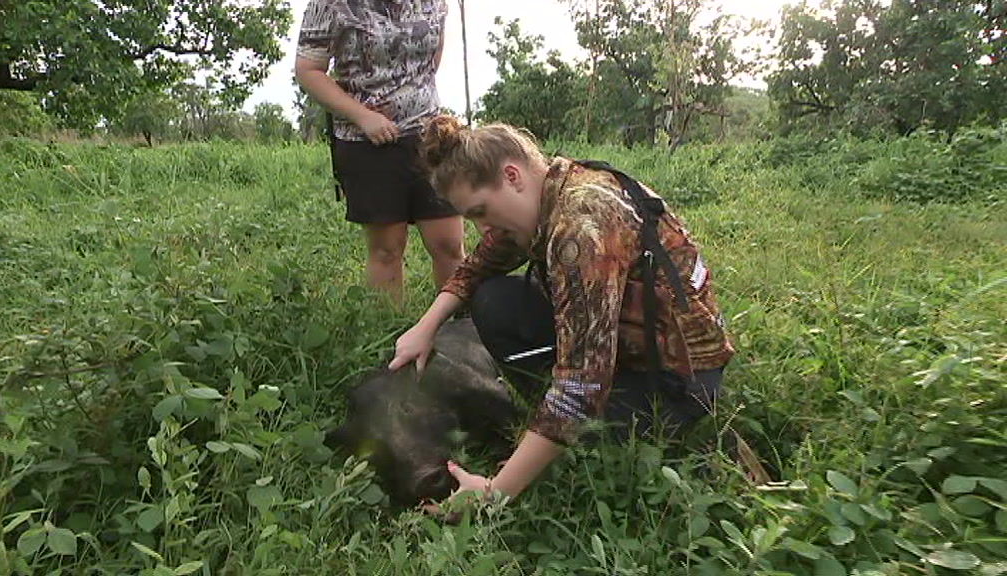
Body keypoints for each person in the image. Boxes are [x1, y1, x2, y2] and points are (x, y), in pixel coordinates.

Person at [388, 115, 735, 502]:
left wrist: (494, 494)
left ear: (512, 175)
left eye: (480, 212)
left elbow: (581, 387)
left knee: (592, 446)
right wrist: (425, 326)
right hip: (631, 345)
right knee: (493, 301)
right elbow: (479, 265)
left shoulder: (581, 227)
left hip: (677, 379)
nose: (482, 229)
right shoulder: (555, 187)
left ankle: (575, 433)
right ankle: (549, 426)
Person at [294, 0, 464, 302]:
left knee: (449, 244)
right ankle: (391, 333)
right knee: (387, 249)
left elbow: (431, 58)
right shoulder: (330, 4)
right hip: (367, 141)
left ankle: (463, 327)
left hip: (430, 137)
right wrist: (362, 115)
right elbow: (308, 70)